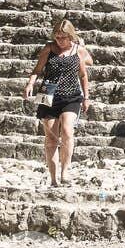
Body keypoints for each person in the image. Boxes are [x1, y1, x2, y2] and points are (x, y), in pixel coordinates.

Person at [23, 17, 89, 187]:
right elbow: (37, 70)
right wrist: (30, 84)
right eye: (57, 37)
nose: (59, 40)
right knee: (51, 138)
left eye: (63, 37)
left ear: (71, 36)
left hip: (71, 95)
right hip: (48, 93)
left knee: (67, 130)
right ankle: (53, 178)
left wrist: (86, 97)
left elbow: (83, 75)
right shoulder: (48, 48)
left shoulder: (78, 50)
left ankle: (65, 171)